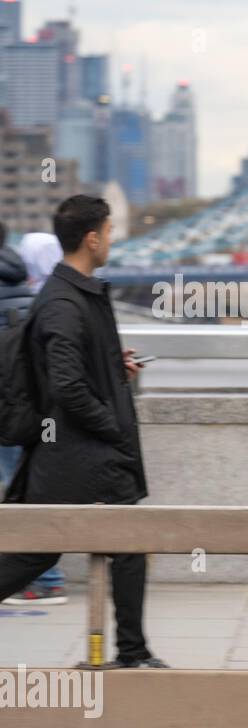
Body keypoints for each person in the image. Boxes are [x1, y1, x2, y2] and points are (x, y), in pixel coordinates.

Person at [0, 195, 166, 668]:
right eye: (110, 231)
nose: (113, 238)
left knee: (118, 546)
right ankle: (132, 653)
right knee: (38, 553)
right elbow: (66, 386)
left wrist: (116, 369)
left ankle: (132, 652)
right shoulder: (62, 303)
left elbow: (79, 371)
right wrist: (110, 423)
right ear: (92, 238)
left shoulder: (80, 293)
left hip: (87, 452)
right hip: (78, 455)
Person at [0, 228, 68, 605]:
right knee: (25, 487)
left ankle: (44, 581)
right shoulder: (21, 283)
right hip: (28, 404)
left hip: (7, 406)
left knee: (19, 489)